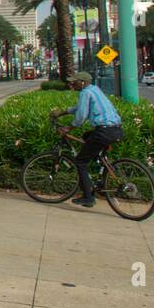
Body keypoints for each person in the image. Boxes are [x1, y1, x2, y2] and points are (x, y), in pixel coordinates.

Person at [54, 71, 123, 208]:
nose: (72, 84)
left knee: (80, 161)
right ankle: (101, 167)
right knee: (86, 137)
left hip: (103, 131)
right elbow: (80, 107)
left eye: (75, 82)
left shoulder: (85, 93)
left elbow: (81, 115)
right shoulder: (94, 89)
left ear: (83, 83)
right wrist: (63, 112)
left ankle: (88, 197)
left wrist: (69, 128)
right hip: (115, 129)